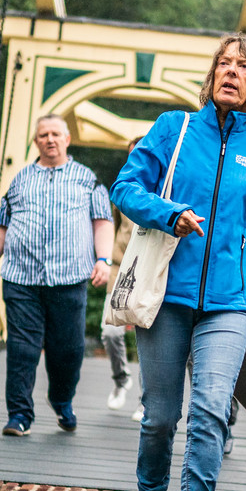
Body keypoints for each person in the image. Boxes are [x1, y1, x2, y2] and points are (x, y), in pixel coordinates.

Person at [111, 33, 246, 491]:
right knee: (161, 416)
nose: (231, 72)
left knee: (212, 409)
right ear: (211, 74)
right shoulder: (174, 130)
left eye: (243, 66)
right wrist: (169, 213)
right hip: (167, 294)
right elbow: (125, 188)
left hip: (230, 305)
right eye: (224, 63)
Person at [0, 114, 113, 437]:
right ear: (36, 141)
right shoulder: (20, 180)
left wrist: (103, 259)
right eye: (43, 135)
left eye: (55, 134)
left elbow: (102, 221)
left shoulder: (87, 179)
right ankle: (19, 415)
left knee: (66, 351)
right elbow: (1, 225)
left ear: (67, 139)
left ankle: (62, 399)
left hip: (69, 279)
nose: (49, 139)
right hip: (21, 278)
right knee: (22, 349)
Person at [102, 137, 144, 414]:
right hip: (120, 269)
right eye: (132, 155)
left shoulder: (168, 188)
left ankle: (146, 399)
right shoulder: (122, 189)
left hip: (149, 271)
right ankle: (121, 380)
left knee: (148, 340)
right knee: (110, 333)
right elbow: (113, 228)